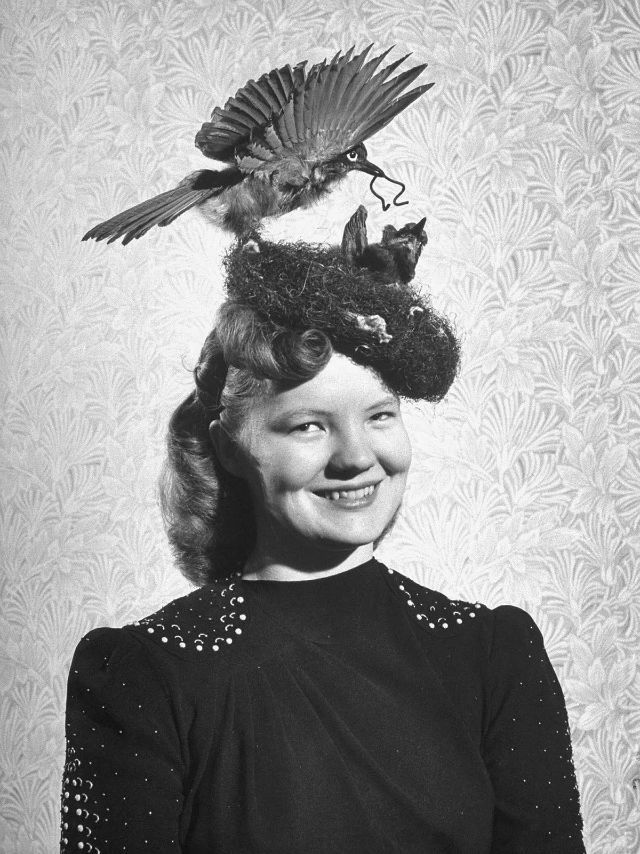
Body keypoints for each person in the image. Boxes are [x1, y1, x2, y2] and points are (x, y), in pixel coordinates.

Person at [60, 240, 585, 853]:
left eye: (380, 416)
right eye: (308, 425)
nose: (357, 457)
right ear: (229, 447)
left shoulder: (495, 654)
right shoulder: (142, 672)